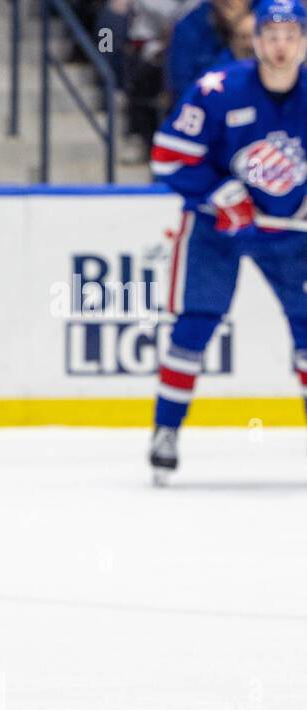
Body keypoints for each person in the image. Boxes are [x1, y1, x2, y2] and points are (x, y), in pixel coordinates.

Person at [148, 0, 307, 481]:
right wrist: (221, 193)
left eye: (290, 34)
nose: (280, 45)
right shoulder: (217, 90)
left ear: (303, 41)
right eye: (270, 34)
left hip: (289, 236)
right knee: (194, 327)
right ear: (254, 40)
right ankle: (166, 431)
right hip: (218, 229)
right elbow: (167, 157)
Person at [168, 0, 252, 94]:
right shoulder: (189, 27)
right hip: (213, 102)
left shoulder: (266, 15)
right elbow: (182, 88)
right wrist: (234, 39)